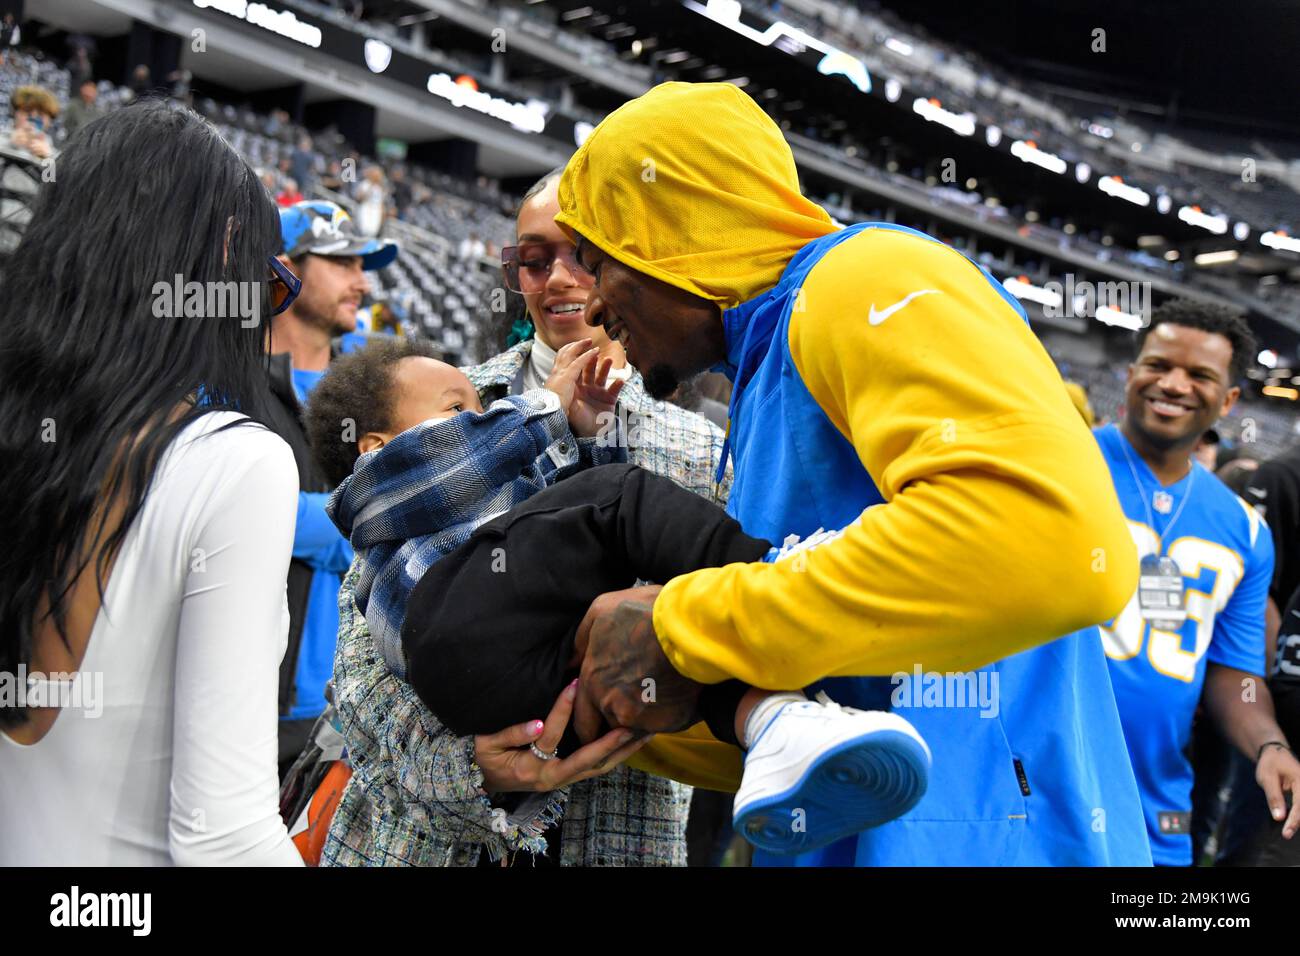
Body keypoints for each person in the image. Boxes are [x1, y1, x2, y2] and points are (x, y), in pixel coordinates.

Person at [557, 81, 1150, 865]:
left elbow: (1054, 546)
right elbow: (835, 688)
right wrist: (585, 702)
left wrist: (681, 627)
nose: (592, 307)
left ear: (666, 234)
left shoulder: (864, 276)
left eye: (597, 261)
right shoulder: (766, 370)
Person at [310, 339, 931, 855]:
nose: (478, 417)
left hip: (530, 680)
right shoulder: (383, 493)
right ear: (375, 447)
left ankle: (776, 728)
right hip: (452, 633)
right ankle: (772, 572)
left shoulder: (525, 481)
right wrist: (545, 407)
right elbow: (483, 467)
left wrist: (590, 431)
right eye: (458, 408)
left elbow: (568, 519)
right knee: (619, 493)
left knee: (651, 635)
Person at [319, 170, 734, 867]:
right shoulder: (441, 410)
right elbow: (359, 672)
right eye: (536, 260)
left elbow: (727, 630)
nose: (562, 278)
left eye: (584, 254)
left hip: (620, 827)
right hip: (427, 841)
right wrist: (468, 769)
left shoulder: (704, 450)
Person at [0, 102, 304, 865]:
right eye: (268, 286)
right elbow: (224, 838)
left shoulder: (28, 437)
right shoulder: (236, 465)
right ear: (223, 261)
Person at [1093, 299, 1299, 866]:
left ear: (1228, 400)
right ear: (1131, 373)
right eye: (1159, 365)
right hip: (1026, 785)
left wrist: (1269, 743)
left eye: (1199, 374)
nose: (1174, 384)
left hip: (1150, 806)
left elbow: (1237, 677)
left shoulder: (1244, 529)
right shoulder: (1060, 466)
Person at [264, 199, 397, 772]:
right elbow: (218, 514)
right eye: (342, 262)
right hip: (249, 695)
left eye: (362, 265)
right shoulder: (226, 379)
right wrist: (360, 522)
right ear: (285, 268)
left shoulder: (377, 394)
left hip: (347, 710)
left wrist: (305, 520)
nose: (361, 282)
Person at [1, 85, 58, 162]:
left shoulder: (55, 155)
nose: (34, 117)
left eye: (41, 114)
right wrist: (9, 146)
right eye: (27, 111)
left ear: (49, 121)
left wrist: (49, 158)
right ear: (14, 113)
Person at [355, 166, 386, 238]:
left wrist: (382, 217)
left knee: (372, 233)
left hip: (375, 213)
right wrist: (370, 187)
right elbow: (359, 198)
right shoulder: (365, 184)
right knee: (363, 231)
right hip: (366, 209)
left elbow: (381, 204)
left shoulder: (380, 188)